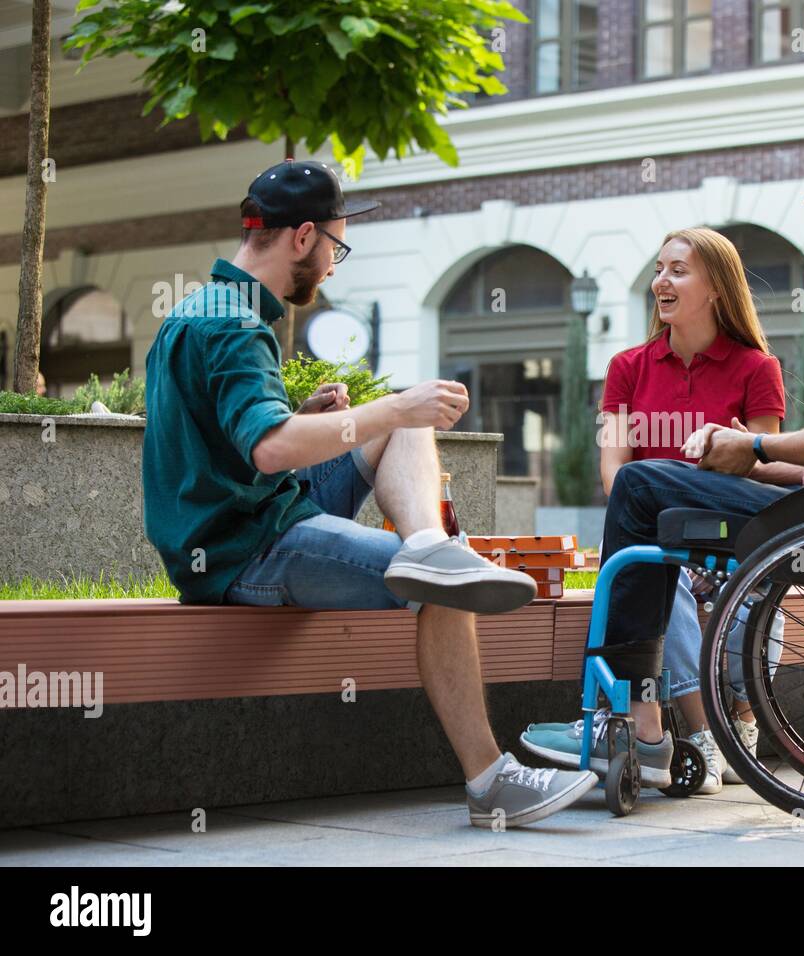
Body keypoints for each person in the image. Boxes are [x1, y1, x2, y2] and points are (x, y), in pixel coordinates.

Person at [141, 159, 596, 829]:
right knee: (447, 573)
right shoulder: (234, 326)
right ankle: (489, 780)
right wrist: (389, 409)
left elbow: (234, 439)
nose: (333, 264)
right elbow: (269, 447)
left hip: (252, 513)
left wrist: (312, 414)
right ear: (302, 237)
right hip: (246, 550)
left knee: (406, 449)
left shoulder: (207, 309)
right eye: (335, 245)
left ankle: (425, 547)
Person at [519, 119, 804, 777]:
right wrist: (751, 452)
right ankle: (649, 724)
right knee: (650, 494)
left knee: (642, 486)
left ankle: (629, 723)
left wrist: (755, 446)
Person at [519, 227, 790, 793]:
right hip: (657, 532)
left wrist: (729, 452)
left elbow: (759, 469)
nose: (660, 281)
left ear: (717, 286)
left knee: (737, 591)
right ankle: (704, 732)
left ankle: (725, 723)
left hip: (727, 534)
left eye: (678, 270)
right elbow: (614, 474)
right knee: (665, 574)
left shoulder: (756, 368)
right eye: (659, 269)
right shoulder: (627, 368)